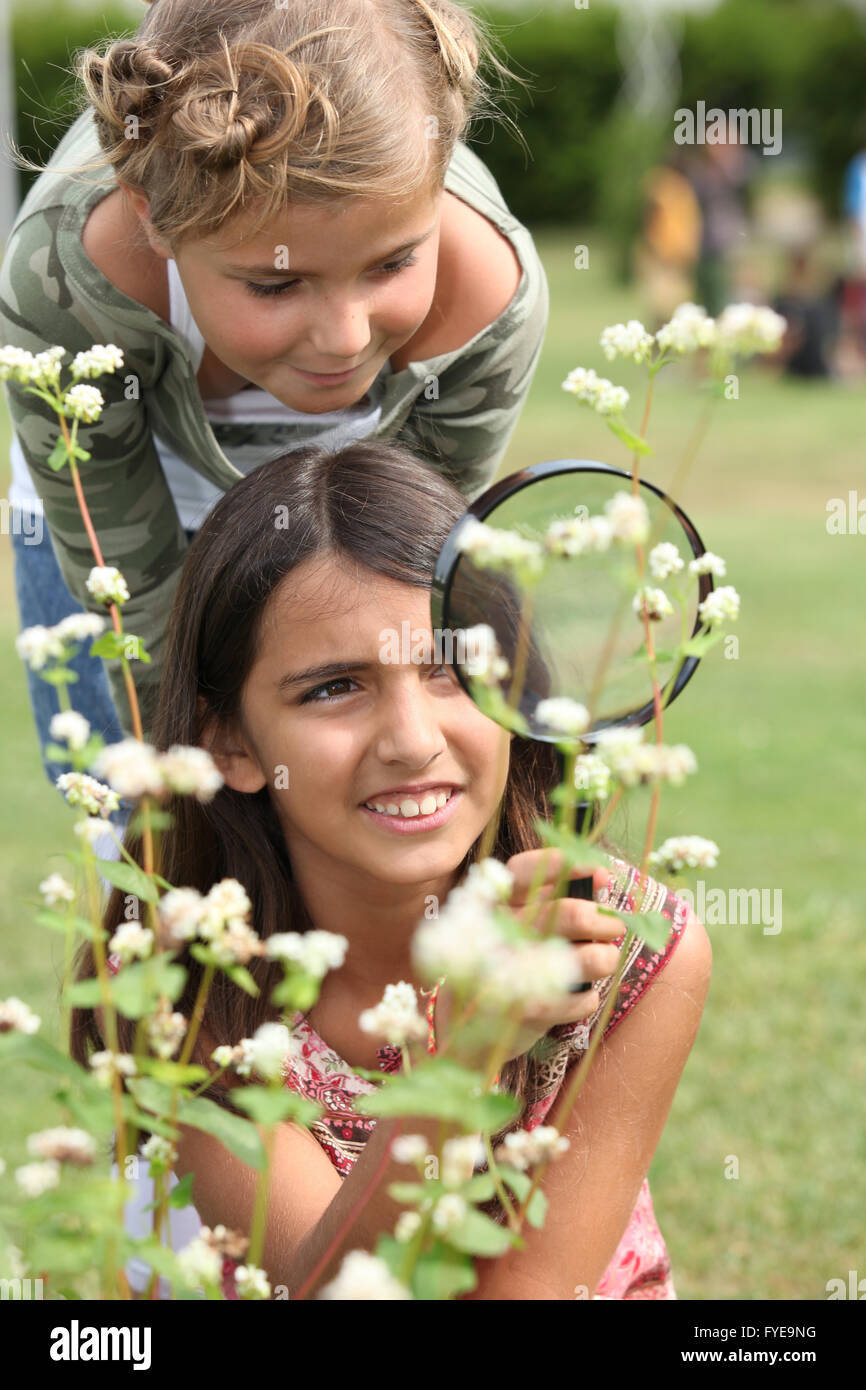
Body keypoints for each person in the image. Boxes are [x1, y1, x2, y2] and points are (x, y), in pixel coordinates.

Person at [70, 439, 712, 1301]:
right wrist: (462, 1059)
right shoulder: (181, 976)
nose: (412, 741)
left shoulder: (631, 945)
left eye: (450, 670)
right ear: (231, 742)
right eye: (335, 687)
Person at [0, 0, 548, 788]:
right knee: (136, 818)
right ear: (154, 216)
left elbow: (408, 579)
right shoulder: (66, 278)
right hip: (118, 526)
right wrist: (201, 779)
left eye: (391, 265)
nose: (346, 337)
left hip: (347, 524)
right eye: (277, 282)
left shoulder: (489, 293)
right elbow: (129, 596)